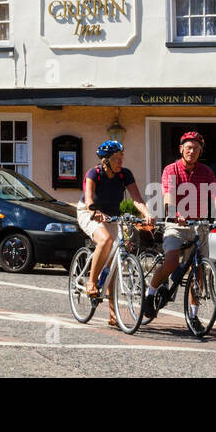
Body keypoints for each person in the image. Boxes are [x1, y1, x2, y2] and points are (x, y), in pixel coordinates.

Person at [144, 131, 216, 319]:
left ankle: (194, 316)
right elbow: (168, 194)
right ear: (181, 149)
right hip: (177, 225)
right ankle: (150, 293)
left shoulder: (206, 171)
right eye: (189, 148)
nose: (192, 151)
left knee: (198, 271)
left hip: (198, 226)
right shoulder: (171, 169)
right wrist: (175, 214)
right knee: (171, 262)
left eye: (196, 149)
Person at [77, 140, 153, 328]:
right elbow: (88, 199)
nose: (120, 162)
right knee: (106, 240)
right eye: (116, 159)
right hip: (90, 213)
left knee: (113, 266)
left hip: (112, 216)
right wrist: (94, 211)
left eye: (121, 158)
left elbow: (136, 199)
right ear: (105, 161)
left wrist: (147, 214)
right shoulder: (94, 173)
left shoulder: (125, 175)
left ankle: (113, 315)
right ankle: (91, 283)